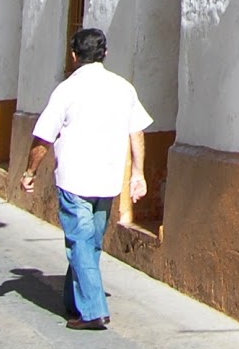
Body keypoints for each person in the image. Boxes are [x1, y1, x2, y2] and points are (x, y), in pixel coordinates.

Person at [20, 28, 151, 330]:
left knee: (80, 242)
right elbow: (137, 132)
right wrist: (139, 173)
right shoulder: (123, 88)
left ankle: (93, 310)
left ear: (74, 55)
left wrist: (30, 172)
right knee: (90, 242)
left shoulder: (67, 90)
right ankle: (73, 301)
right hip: (108, 179)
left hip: (75, 180)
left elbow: (43, 138)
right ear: (105, 54)